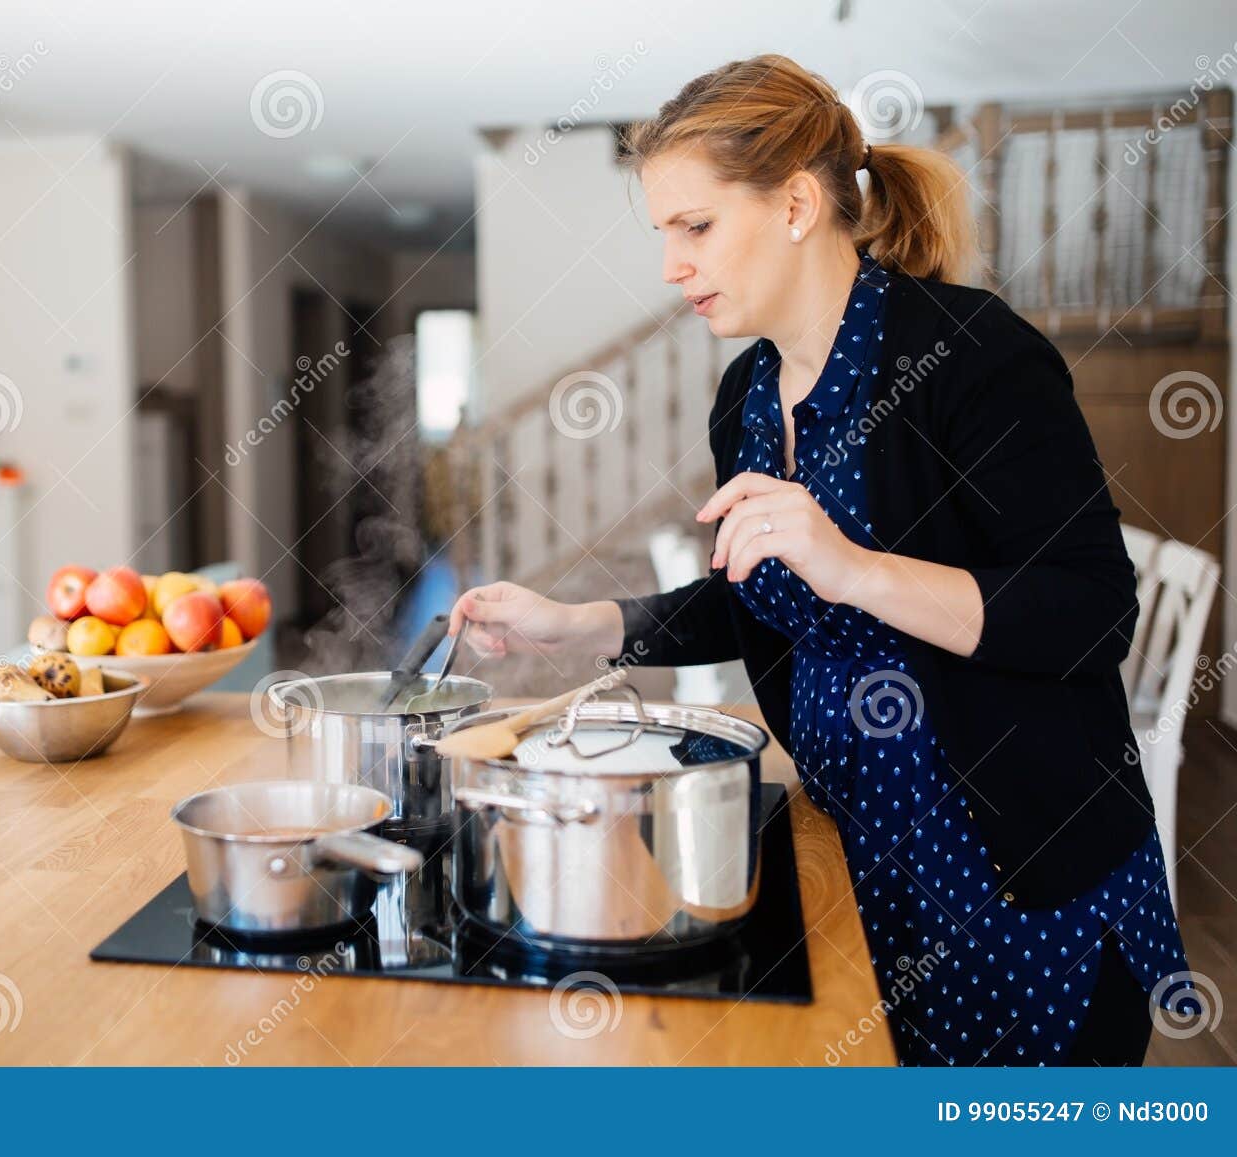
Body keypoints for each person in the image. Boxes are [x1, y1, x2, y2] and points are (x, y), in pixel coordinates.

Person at [449, 54, 1196, 1066]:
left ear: (797, 203)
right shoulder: (745, 398)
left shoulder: (971, 355)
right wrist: (584, 624)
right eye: (662, 233)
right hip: (854, 850)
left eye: (695, 226)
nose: (671, 264)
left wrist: (852, 566)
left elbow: (1091, 611)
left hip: (1015, 879)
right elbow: (757, 599)